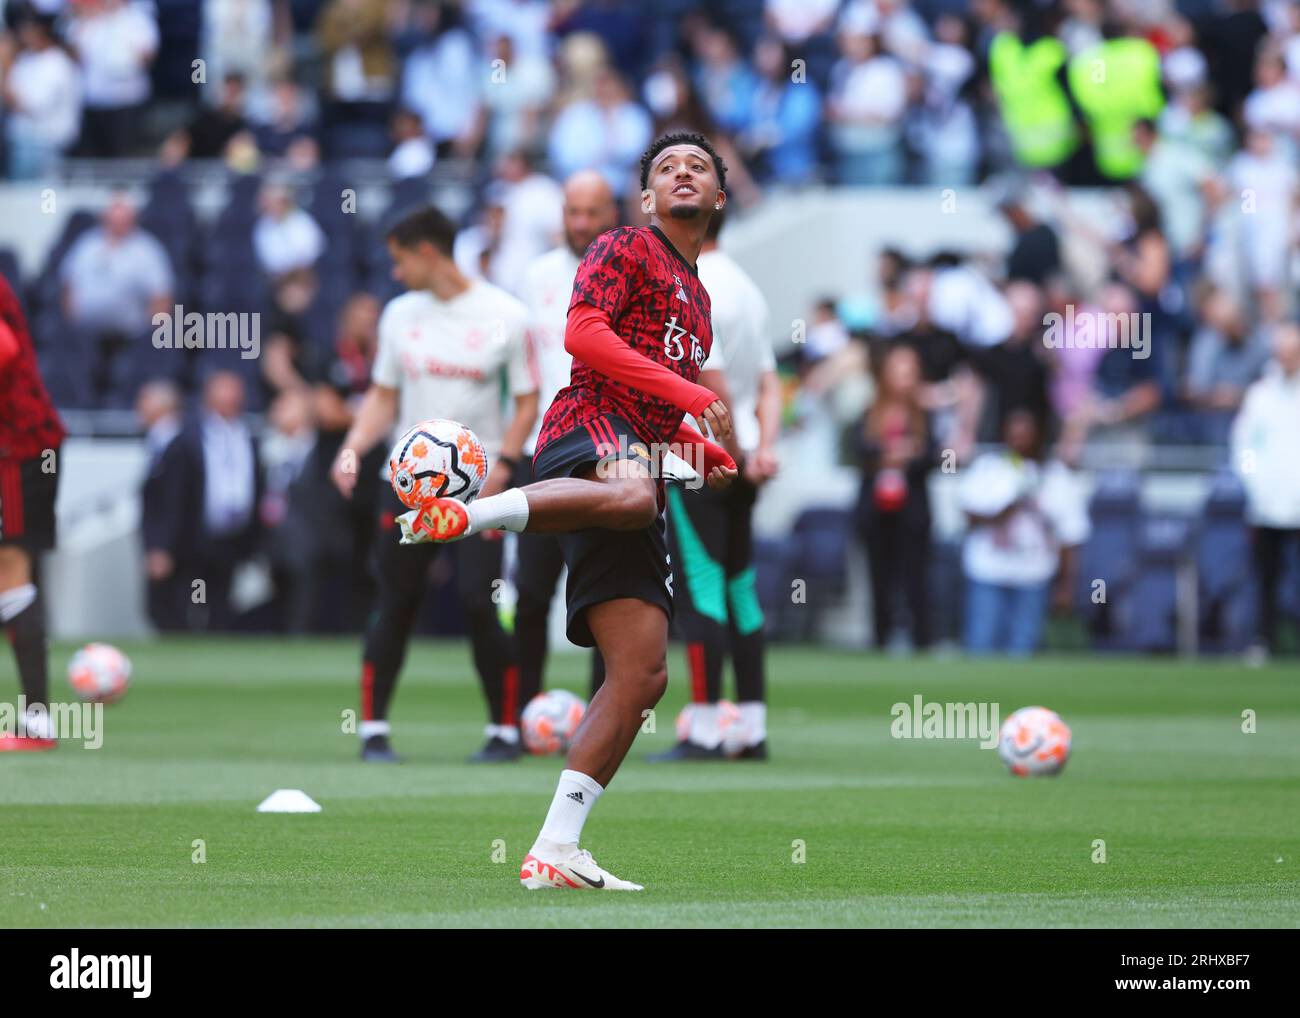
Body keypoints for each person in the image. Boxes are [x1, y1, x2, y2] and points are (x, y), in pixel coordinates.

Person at [397, 132, 738, 890]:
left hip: (637, 455)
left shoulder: (702, 299)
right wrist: (691, 399)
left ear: (719, 197)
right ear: (647, 199)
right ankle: (473, 512)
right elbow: (583, 333)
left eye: (699, 168)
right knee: (630, 493)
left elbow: (658, 398)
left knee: (643, 674)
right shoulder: (624, 245)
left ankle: (555, 849)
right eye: (665, 168)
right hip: (583, 425)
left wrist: (701, 450)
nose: (683, 173)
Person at [330, 206, 538, 764]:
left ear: (426, 253)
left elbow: (526, 402)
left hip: (481, 486)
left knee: (478, 601)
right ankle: (372, 729)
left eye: (399, 260)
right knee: (396, 599)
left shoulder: (506, 315)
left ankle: (503, 731)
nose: (394, 273)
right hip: (403, 485)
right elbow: (382, 395)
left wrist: (506, 464)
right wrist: (351, 448)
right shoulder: (399, 315)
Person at [653, 207, 780, 761]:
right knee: (739, 591)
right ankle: (750, 727)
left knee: (701, 592)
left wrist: (726, 455)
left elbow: (713, 384)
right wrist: (762, 450)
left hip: (699, 458)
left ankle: (704, 730)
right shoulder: (748, 288)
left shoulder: (695, 286)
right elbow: (771, 383)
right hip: (744, 456)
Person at [513, 169, 620, 708]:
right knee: (530, 593)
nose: (580, 223)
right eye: (571, 212)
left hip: (608, 455)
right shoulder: (535, 277)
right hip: (541, 451)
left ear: (613, 213)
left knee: (606, 596)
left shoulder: (635, 273)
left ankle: (604, 722)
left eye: (591, 212)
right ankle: (516, 719)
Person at [958, 409, 1090, 656]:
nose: (1020, 442)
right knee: (980, 645)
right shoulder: (987, 468)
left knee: (1024, 649)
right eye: (1014, 436)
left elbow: (1071, 536)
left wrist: (1066, 587)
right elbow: (969, 516)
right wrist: (1009, 508)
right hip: (988, 570)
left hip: (1033, 573)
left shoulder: (1055, 475)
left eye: (1026, 436)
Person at [0, 274, 65, 751]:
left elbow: (3, 348)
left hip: (18, 450)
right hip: (21, 447)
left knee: (12, 570)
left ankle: (38, 721)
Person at [1231, 323, 1300, 662]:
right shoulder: (1261, 394)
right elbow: (1244, 446)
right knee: (1266, 578)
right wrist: (1254, 483)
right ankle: (1263, 640)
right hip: (1267, 504)